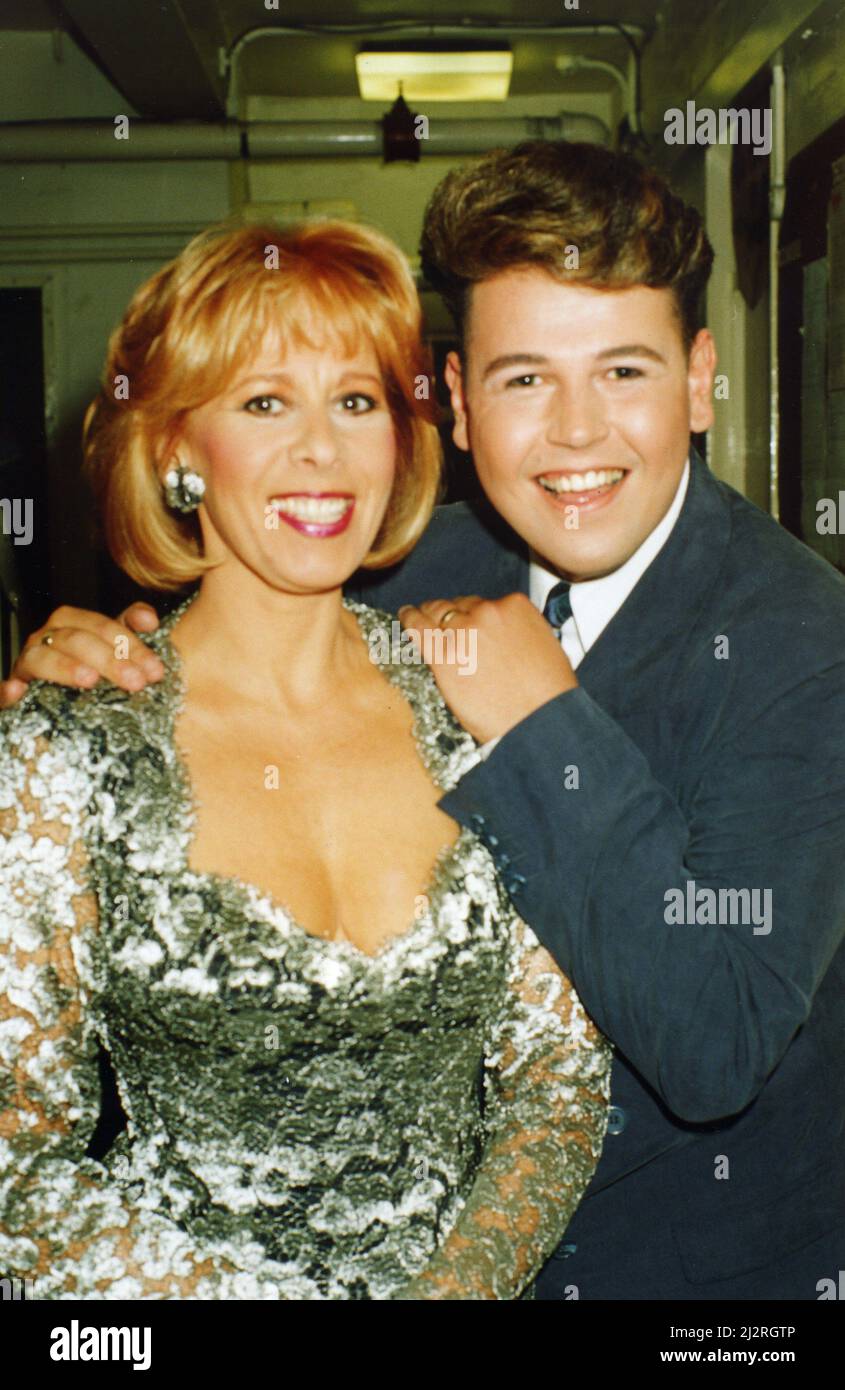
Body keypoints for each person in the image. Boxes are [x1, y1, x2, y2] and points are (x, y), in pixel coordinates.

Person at [18, 140, 845, 1302]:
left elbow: (714, 1042)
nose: (573, 433)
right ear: (454, 404)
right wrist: (91, 652)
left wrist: (541, 722)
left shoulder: (801, 638)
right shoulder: (405, 568)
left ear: (700, 378)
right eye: (521, 378)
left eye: (622, 372)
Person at [0, 218, 612, 1301]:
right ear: (178, 446)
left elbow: (555, 1080)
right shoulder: (62, 749)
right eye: (264, 401)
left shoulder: (472, 694)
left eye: (357, 400)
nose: (321, 449)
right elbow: (15, 1171)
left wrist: (453, 1291)